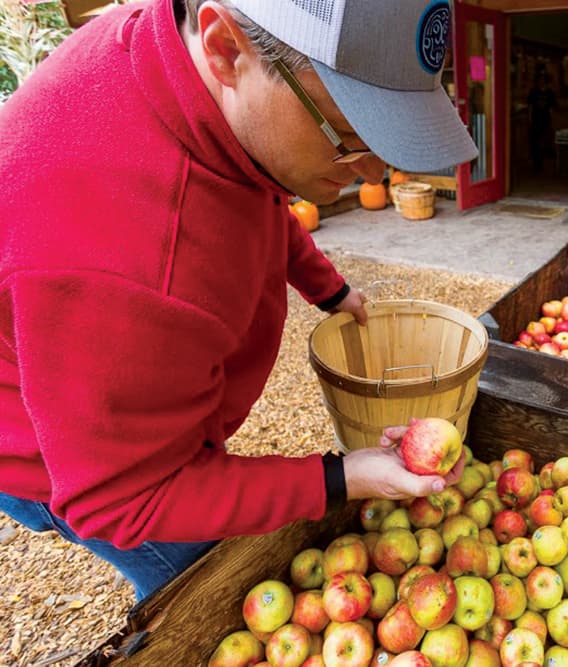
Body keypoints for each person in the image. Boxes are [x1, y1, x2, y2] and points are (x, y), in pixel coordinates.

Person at [0, 0, 478, 601]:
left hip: (136, 379)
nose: (374, 174)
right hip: (59, 449)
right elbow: (125, 500)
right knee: (201, 587)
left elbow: (259, 190)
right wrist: (340, 477)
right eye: (350, 138)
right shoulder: (120, 261)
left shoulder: (192, 75)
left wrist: (325, 286)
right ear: (226, 47)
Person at [527, 69, 557, 173]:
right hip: (535, 121)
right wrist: (530, 120)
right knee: (534, 143)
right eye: (540, 79)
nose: (541, 81)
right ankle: (536, 164)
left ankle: (542, 165)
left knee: (544, 144)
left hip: (546, 121)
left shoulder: (550, 93)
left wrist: (552, 123)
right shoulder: (533, 92)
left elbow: (551, 109)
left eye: (543, 79)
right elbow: (530, 107)